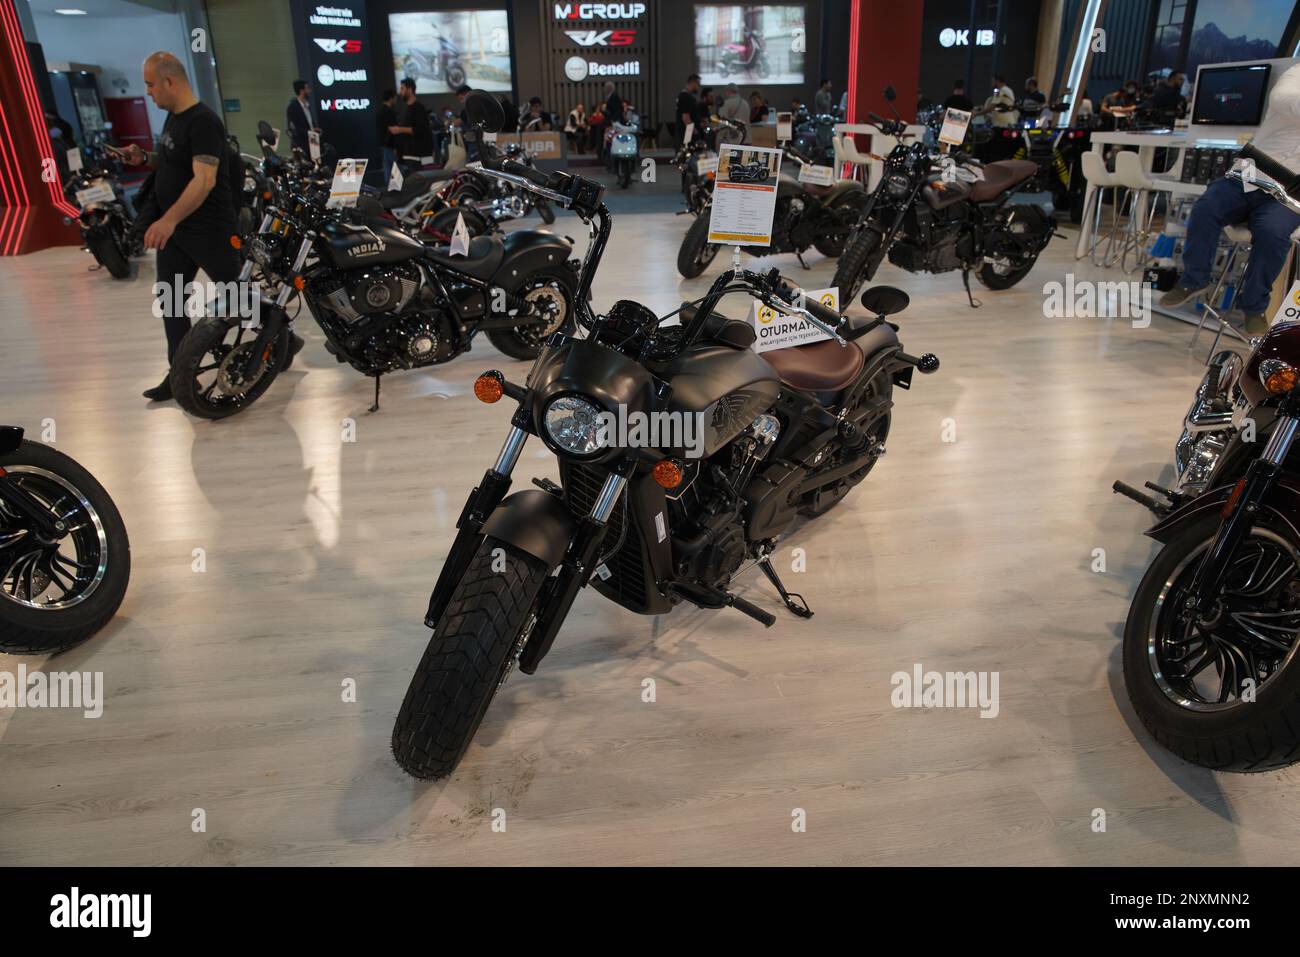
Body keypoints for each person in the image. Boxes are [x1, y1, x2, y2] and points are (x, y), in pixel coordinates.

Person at [121, 52, 298, 401]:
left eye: (151, 84)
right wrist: (145, 160)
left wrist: (168, 220)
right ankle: (179, 375)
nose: (149, 92)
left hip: (209, 229)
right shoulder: (173, 119)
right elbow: (176, 163)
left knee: (236, 294)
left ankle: (286, 343)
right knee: (171, 301)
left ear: (170, 82)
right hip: (177, 232)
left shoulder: (203, 122)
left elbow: (203, 181)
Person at [1160, 63, 1300, 334]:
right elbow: (1283, 99)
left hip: (1288, 192)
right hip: (1250, 173)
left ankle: (1254, 308)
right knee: (1206, 208)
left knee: (1273, 235)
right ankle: (1194, 279)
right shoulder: (1296, 74)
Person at [389, 77, 432, 167]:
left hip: (420, 156)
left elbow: (420, 129)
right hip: (410, 155)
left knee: (422, 178)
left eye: (402, 89)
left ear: (410, 90)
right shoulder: (407, 108)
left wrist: (400, 129)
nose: (400, 92)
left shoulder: (418, 108)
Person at [286, 79, 318, 154]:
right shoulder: (293, 107)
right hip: (301, 145)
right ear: (301, 91)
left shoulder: (307, 105)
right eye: (307, 89)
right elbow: (294, 128)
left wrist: (314, 129)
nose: (309, 91)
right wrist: (309, 131)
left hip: (312, 142)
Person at [377, 88, 398, 184]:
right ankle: (396, 191)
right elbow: (393, 130)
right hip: (391, 145)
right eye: (395, 98)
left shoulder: (380, 111)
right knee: (395, 169)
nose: (396, 100)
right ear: (391, 98)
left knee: (387, 169)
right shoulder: (390, 112)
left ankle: (389, 192)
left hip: (383, 144)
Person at [675, 73, 701, 145]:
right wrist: (694, 131)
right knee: (688, 151)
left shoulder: (682, 96)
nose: (698, 87)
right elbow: (686, 118)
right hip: (687, 133)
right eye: (698, 84)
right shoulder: (686, 97)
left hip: (685, 132)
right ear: (692, 83)